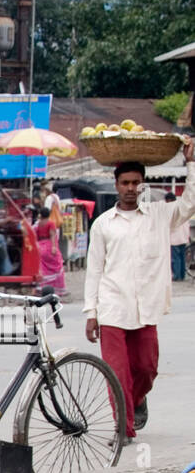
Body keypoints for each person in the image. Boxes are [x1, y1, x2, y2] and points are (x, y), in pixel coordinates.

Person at [84, 142, 195, 440]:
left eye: (135, 182)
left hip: (147, 308)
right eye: (125, 183)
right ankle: (124, 429)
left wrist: (191, 165)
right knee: (117, 374)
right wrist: (91, 313)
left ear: (142, 185)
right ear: (116, 185)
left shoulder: (159, 215)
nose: (130, 188)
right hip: (111, 309)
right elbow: (94, 270)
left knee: (146, 369)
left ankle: (137, 399)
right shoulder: (103, 224)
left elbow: (189, 205)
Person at [35, 206, 66, 294]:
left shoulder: (38, 224)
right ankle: (57, 289)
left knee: (43, 269)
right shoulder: (50, 223)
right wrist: (53, 247)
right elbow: (52, 235)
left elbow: (36, 236)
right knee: (57, 266)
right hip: (48, 246)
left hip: (40, 247)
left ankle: (42, 288)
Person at [168, 193, 189, 282]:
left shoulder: (171, 210)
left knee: (176, 258)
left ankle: (177, 276)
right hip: (183, 237)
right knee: (182, 258)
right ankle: (182, 275)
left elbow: (170, 225)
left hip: (175, 239)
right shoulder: (182, 208)